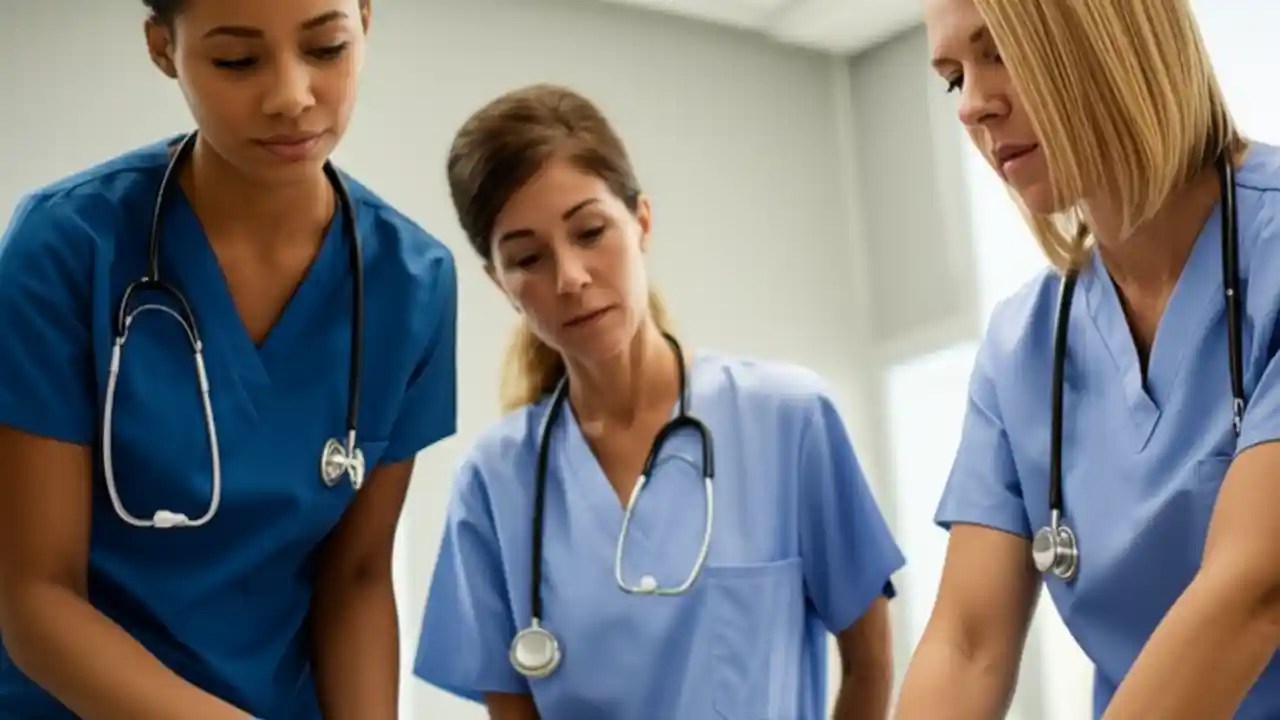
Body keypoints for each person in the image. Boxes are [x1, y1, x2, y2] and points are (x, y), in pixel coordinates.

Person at [0, 1, 457, 718]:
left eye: (327, 47)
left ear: (366, 19)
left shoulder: (412, 284)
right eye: (238, 61)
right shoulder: (66, 248)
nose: (292, 96)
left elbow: (359, 576)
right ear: (162, 48)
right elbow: (35, 595)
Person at [410, 83, 905, 720]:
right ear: (498, 284)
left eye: (590, 231)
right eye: (528, 257)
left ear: (641, 221)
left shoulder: (788, 419)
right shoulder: (494, 482)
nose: (570, 278)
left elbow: (870, 663)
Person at [897, 0, 1280, 718]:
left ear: (1111, 33)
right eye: (953, 78)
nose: (972, 106)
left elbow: (1255, 590)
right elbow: (967, 644)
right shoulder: (1024, 348)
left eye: (1001, 51)